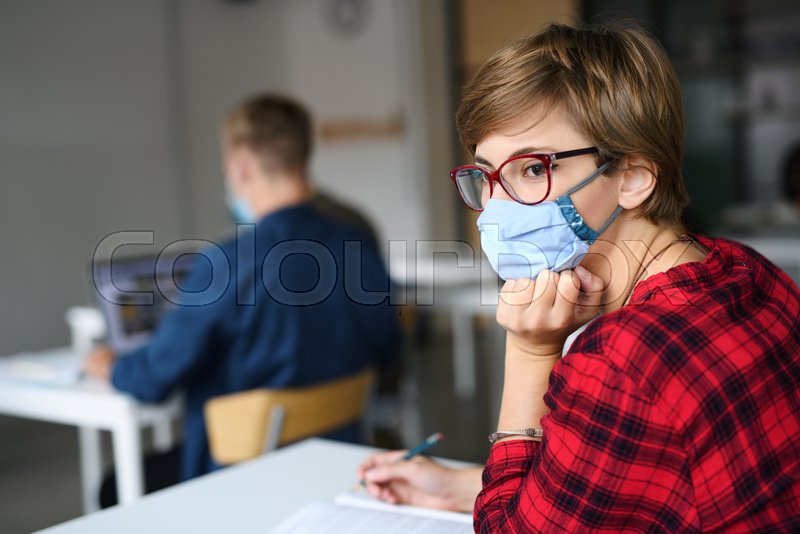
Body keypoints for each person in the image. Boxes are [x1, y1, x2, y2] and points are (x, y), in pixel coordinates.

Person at [358, 20, 800, 532]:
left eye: (532, 169)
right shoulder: (745, 270)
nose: (494, 208)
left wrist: (530, 352)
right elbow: (643, 480)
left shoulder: (620, 358)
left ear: (633, 176)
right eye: (486, 176)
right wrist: (464, 488)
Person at [84, 93, 400, 498]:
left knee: (113, 489)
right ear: (303, 156)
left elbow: (152, 380)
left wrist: (110, 365)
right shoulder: (358, 245)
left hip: (237, 476)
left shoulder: (227, 263)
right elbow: (388, 349)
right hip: (338, 461)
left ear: (240, 167)